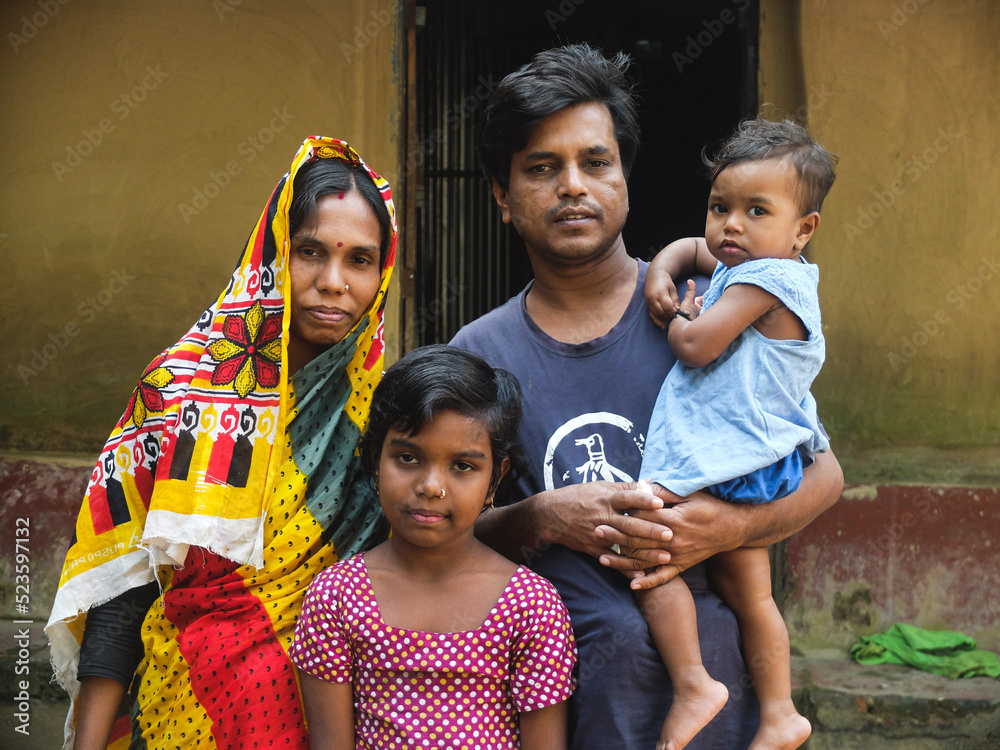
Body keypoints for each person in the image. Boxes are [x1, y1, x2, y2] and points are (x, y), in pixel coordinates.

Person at [450, 43, 844, 749]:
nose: (574, 185)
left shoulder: (709, 308)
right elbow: (444, 537)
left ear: (625, 179)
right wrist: (541, 515)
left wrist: (731, 528)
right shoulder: (478, 355)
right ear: (503, 198)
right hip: (568, 713)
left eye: (596, 162)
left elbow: (825, 474)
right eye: (542, 168)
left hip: (727, 711)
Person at [46, 136, 398, 750]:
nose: (334, 282)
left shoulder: (384, 411)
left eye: (360, 260)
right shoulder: (179, 389)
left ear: (383, 271)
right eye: (309, 252)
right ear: (269, 255)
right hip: (184, 703)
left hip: (335, 711)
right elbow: (126, 585)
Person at [637, 118, 837, 750]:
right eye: (719, 207)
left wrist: (679, 315)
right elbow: (692, 251)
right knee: (751, 594)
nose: (731, 226)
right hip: (751, 454)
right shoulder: (760, 262)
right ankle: (780, 714)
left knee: (649, 556)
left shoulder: (765, 281)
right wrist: (660, 268)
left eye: (756, 210)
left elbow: (695, 348)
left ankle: (693, 682)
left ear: (803, 229)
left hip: (728, 456)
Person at [289, 345, 577, 749]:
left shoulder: (532, 606)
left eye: (463, 466)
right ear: (375, 461)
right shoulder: (336, 596)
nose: (431, 486)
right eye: (407, 458)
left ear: (495, 478)